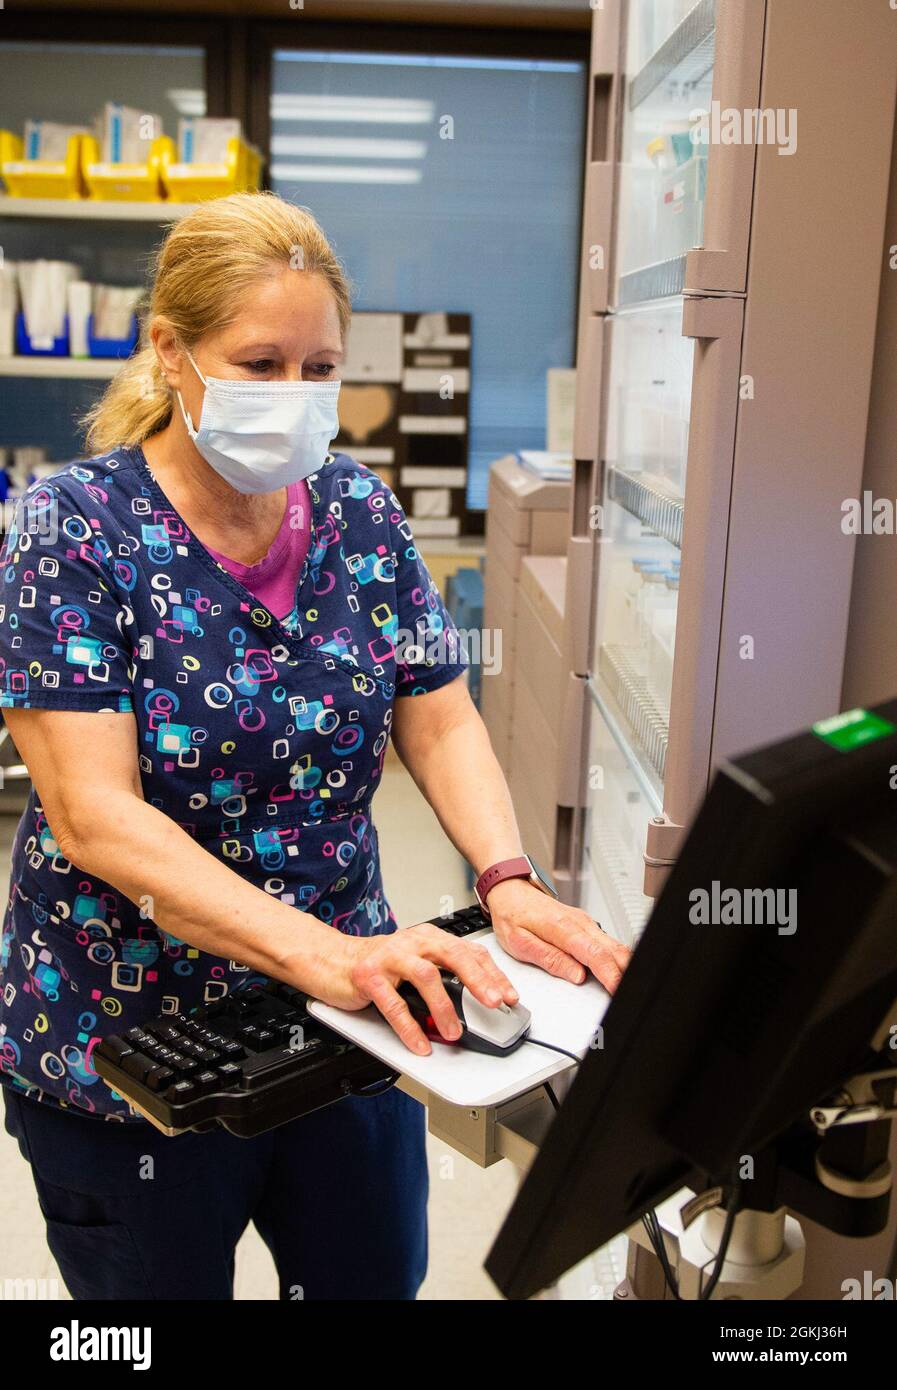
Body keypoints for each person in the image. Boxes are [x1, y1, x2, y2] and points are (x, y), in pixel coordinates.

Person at [0, 192, 630, 1300]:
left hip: (352, 1025)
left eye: (318, 366)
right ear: (170, 351)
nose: (294, 397)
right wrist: (329, 957)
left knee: (367, 1280)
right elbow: (93, 814)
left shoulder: (356, 509)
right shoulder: (71, 530)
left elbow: (435, 708)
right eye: (259, 362)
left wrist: (507, 880)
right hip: (135, 1048)